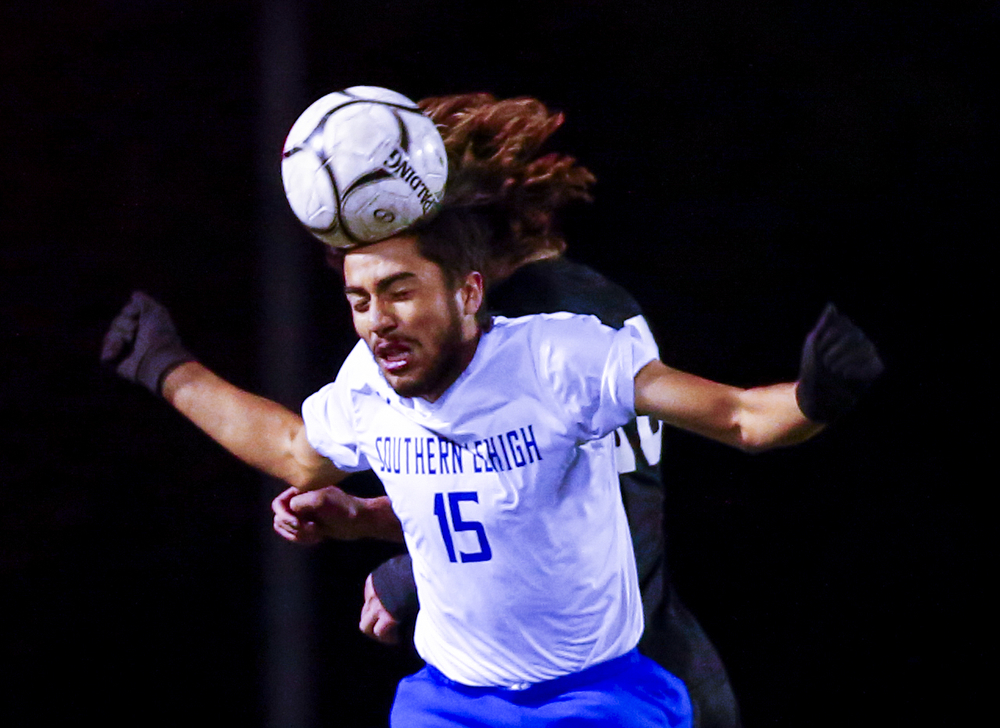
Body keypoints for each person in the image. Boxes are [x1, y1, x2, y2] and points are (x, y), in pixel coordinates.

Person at [101, 100, 883, 728]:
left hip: (602, 683)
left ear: (466, 279)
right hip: (457, 698)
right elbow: (298, 449)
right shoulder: (378, 378)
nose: (377, 318)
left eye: (399, 288)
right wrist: (171, 369)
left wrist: (810, 399)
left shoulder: (561, 339)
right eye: (359, 299)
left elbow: (727, 424)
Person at [272, 94, 742, 728]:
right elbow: (525, 487)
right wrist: (371, 519)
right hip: (648, 654)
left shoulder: (536, 330)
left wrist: (412, 573)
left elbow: (605, 502)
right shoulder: (586, 295)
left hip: (597, 681)